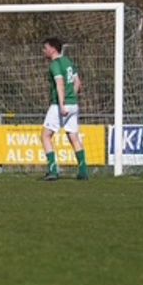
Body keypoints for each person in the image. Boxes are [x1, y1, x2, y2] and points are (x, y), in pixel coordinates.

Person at [40, 37, 87, 181]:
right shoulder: (69, 62)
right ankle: (83, 171)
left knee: (45, 136)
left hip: (60, 105)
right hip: (73, 104)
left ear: (53, 49)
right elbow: (78, 83)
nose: (44, 51)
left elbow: (59, 84)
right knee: (73, 136)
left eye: (45, 48)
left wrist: (62, 104)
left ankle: (53, 170)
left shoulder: (55, 64)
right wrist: (71, 96)